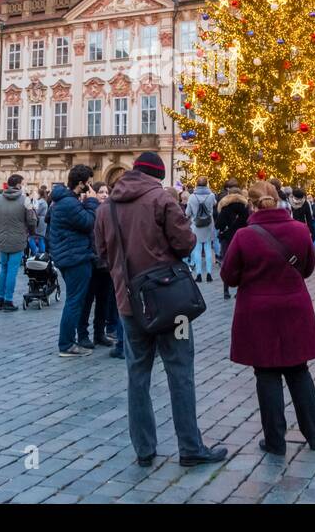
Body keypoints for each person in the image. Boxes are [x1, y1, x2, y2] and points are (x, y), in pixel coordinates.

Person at [94, 151, 226, 468]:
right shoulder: (162, 200)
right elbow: (185, 244)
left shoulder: (106, 207)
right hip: (171, 307)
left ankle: (144, 448)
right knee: (180, 371)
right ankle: (190, 447)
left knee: (137, 374)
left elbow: (101, 254)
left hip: (129, 304)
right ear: (157, 174)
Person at [220, 180, 315, 455]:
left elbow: (228, 276)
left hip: (257, 310)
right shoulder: (300, 230)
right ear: (278, 200)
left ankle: (276, 441)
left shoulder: (244, 236)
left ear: (251, 204)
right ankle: (314, 434)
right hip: (294, 306)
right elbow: (309, 267)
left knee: (266, 374)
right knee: (299, 371)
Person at [47, 165, 99, 357]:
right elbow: (88, 222)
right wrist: (92, 202)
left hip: (69, 255)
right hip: (74, 257)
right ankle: (67, 343)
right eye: (89, 183)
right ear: (81, 183)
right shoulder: (69, 203)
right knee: (74, 302)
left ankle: (69, 341)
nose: (90, 186)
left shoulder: (66, 200)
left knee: (75, 300)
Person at [78, 180, 119, 350]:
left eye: (106, 192)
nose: (104, 194)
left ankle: (99, 333)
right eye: (100, 191)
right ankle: (82, 334)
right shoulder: (87, 211)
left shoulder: (111, 211)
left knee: (103, 301)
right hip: (91, 262)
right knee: (87, 301)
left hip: (106, 263)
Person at [0, 175, 31, 311]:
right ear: (18, 185)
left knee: (3, 269)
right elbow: (32, 220)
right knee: (12, 270)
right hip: (18, 239)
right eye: (22, 183)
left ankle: (0, 299)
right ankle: (8, 300)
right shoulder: (25, 200)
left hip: (1, 239)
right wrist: (28, 229)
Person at [216, 180, 250, 302]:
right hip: (242, 238)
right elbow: (249, 223)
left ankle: (226, 291)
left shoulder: (225, 208)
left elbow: (218, 224)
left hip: (227, 239)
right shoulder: (245, 208)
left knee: (226, 262)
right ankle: (240, 289)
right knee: (242, 263)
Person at [186, 176, 218, 282]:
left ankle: (199, 274)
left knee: (197, 249)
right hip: (208, 224)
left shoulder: (191, 197)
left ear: (196, 184)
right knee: (208, 248)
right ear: (207, 184)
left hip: (196, 225)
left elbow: (187, 213)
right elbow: (214, 204)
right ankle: (209, 274)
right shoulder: (211, 195)